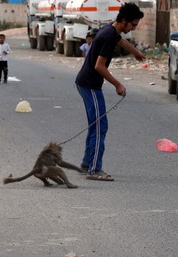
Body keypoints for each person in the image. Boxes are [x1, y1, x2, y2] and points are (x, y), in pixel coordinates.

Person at [75, 3, 145, 181]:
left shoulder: (110, 31)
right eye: (133, 24)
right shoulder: (107, 36)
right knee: (100, 126)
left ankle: (86, 164)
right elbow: (99, 66)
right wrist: (118, 84)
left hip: (85, 83)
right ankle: (94, 169)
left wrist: (135, 52)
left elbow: (120, 40)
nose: (134, 28)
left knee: (95, 125)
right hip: (90, 84)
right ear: (123, 21)